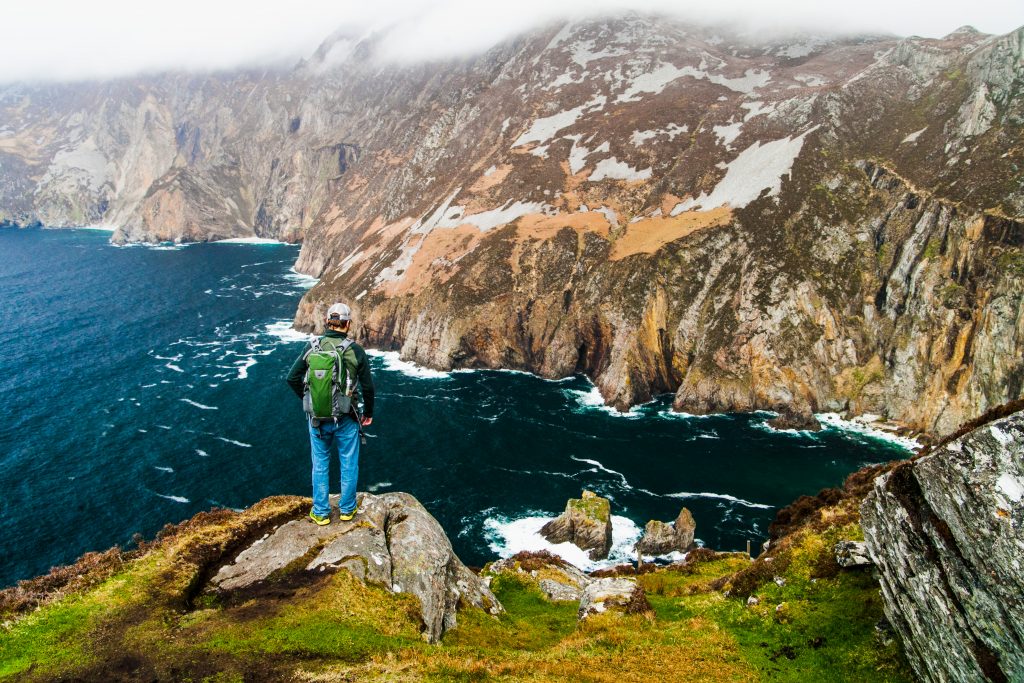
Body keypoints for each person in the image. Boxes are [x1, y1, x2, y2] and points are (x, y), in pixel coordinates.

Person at [286, 302, 374, 525]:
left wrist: (312, 401)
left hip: (317, 418)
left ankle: (321, 513)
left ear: (327, 322)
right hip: (347, 417)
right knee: (348, 463)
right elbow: (368, 387)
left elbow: (292, 378)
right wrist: (368, 413)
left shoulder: (313, 346)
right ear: (347, 324)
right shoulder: (355, 350)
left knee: (320, 463)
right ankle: (347, 510)